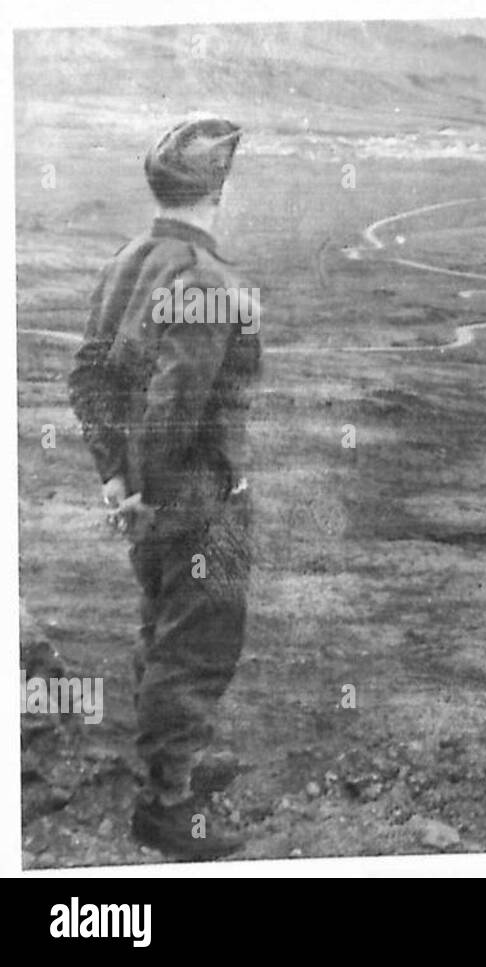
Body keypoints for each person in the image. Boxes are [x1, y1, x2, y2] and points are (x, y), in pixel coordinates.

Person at [68, 117, 261, 860]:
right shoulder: (208, 280)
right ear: (220, 188)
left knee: (163, 624)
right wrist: (148, 486)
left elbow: (90, 375)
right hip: (199, 497)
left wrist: (116, 478)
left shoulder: (126, 260)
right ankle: (166, 803)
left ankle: (168, 763)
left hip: (148, 494)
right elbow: (175, 404)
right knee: (200, 639)